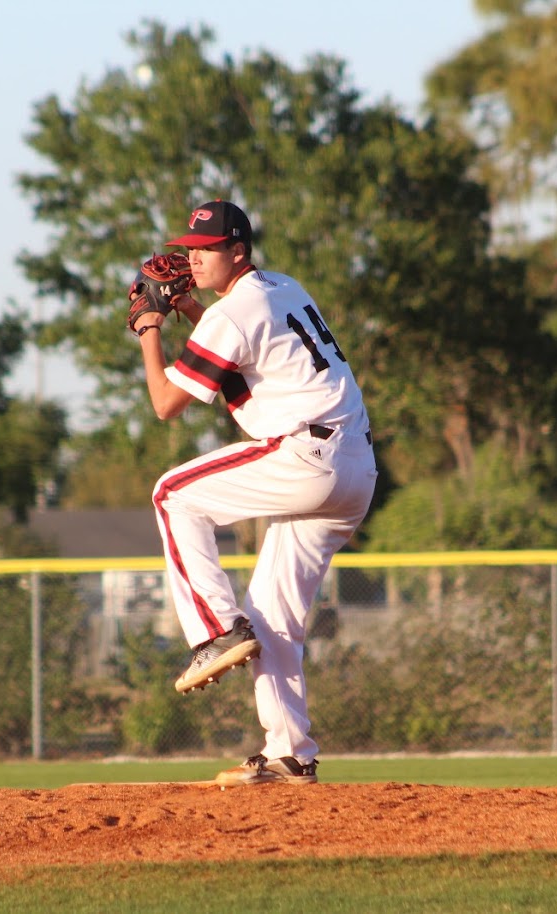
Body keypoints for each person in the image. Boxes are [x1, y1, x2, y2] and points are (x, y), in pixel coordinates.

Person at [129, 199, 377, 788]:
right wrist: (189, 305)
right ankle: (291, 754)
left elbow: (166, 404)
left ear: (237, 250)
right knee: (271, 612)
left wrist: (148, 328)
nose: (193, 257)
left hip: (306, 458)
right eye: (189, 248)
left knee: (172, 494)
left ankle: (214, 630)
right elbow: (240, 371)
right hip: (354, 470)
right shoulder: (283, 287)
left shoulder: (231, 315)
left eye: (206, 249)